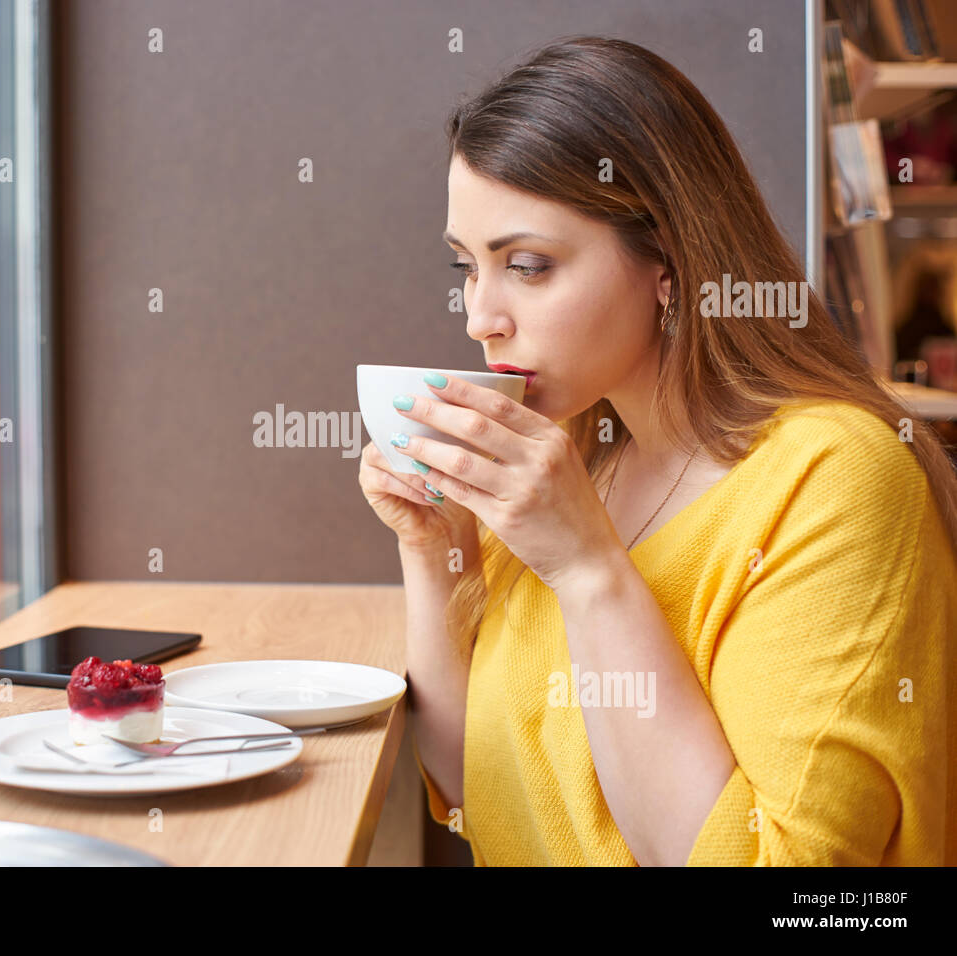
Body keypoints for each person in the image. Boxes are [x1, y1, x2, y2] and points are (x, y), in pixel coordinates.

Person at [358, 37, 957, 866]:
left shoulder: (836, 480)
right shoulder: (582, 452)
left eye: (527, 266)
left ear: (668, 267)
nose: (479, 315)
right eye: (467, 267)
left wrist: (590, 570)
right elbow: (475, 791)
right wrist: (431, 550)